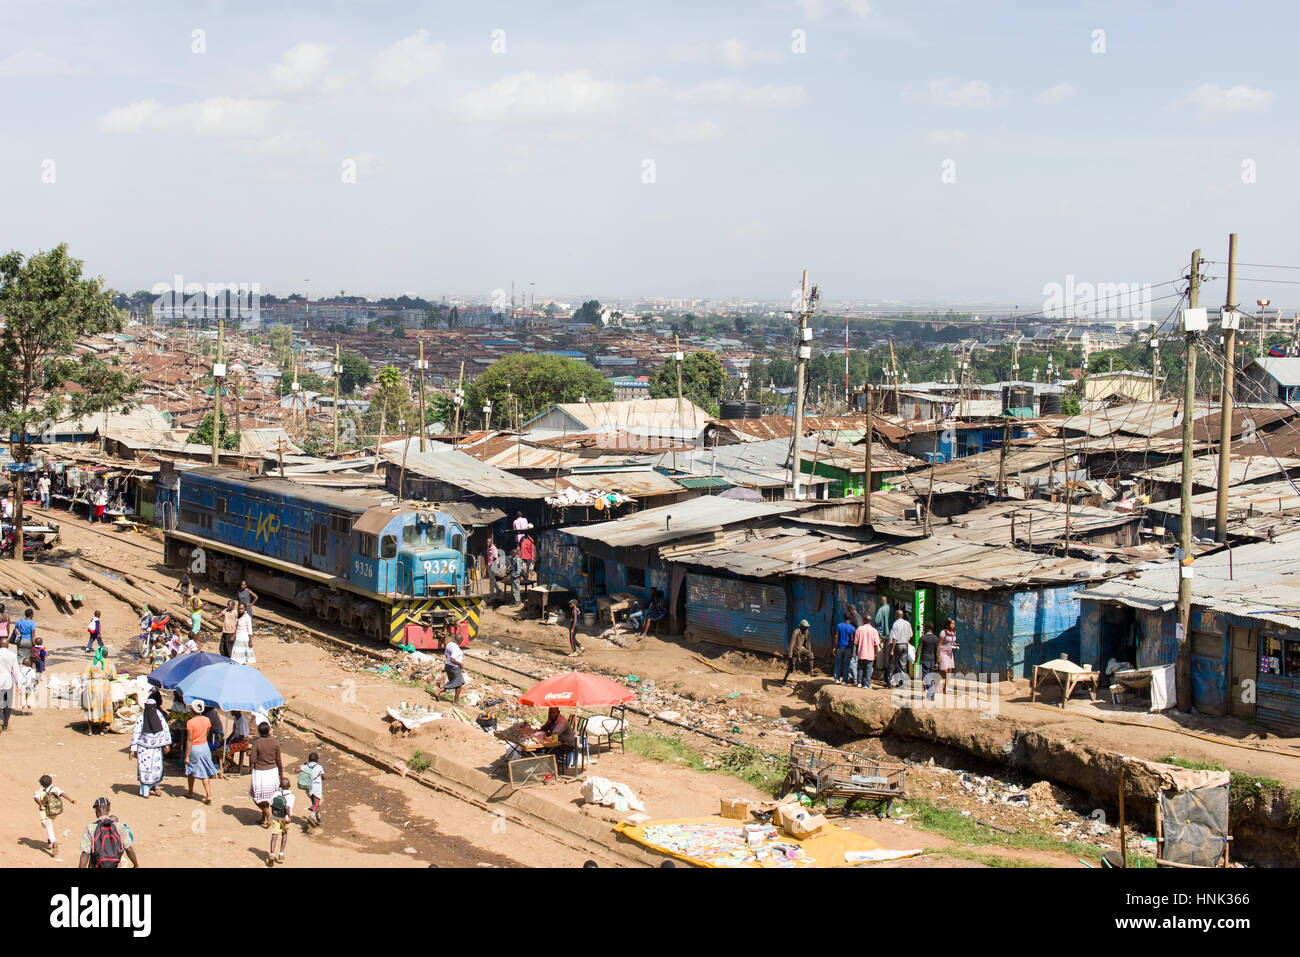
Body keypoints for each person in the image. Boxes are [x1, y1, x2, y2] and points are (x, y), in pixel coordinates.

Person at [129, 692, 171, 798]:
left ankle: (155, 787)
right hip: (144, 749)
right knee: (145, 769)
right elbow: (136, 733)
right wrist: (132, 749)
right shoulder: (142, 718)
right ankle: (145, 791)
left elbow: (165, 730)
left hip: (156, 749)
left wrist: (166, 744)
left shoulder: (159, 715)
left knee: (157, 769)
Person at [79, 797, 138, 868]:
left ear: (96, 811)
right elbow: (129, 849)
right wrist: (136, 865)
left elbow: (85, 853)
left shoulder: (91, 828)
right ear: (109, 809)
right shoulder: (119, 826)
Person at [249, 722, 283, 827]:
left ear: (259, 731)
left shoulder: (257, 743)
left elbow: (252, 760)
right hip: (272, 773)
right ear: (268, 731)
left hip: (260, 773)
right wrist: (281, 773)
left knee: (256, 797)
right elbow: (279, 760)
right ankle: (263, 818)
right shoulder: (275, 743)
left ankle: (268, 815)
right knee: (269, 798)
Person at [183, 700, 217, 804]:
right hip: (205, 747)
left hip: (195, 748)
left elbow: (190, 740)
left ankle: (191, 791)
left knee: (191, 770)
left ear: (193, 709)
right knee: (205, 771)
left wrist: (187, 755)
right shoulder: (207, 720)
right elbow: (206, 734)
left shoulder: (190, 722)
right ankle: (208, 794)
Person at [35, 774, 75, 858]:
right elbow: (63, 794)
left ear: (41, 784)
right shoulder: (55, 789)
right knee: (48, 824)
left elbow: (36, 798)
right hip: (56, 811)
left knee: (48, 826)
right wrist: (71, 800)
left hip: (46, 812)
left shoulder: (41, 792)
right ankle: (50, 839)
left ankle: (53, 842)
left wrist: (40, 805)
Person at [84, 646, 117, 734]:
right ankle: (102, 729)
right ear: (105, 654)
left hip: (92, 686)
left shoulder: (91, 663)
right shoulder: (110, 663)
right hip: (104, 686)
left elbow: (85, 676)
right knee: (104, 706)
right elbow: (113, 676)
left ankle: (90, 729)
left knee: (91, 706)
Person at [267, 775, 294, 866]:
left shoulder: (276, 794)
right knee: (284, 834)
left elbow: (271, 804)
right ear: (289, 786)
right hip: (285, 818)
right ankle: (281, 853)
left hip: (276, 817)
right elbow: (287, 807)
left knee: (274, 835)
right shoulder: (291, 796)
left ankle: (271, 854)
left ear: (280, 786)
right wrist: (289, 817)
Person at [854, 616, 881, 688]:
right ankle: (867, 684)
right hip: (870, 654)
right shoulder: (874, 631)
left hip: (861, 652)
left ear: (864, 620)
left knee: (860, 668)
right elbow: (876, 644)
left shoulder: (859, 629)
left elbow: (856, 643)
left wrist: (857, 651)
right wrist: (875, 654)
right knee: (869, 669)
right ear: (870, 621)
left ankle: (859, 683)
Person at [888, 609, 914, 688]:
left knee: (893, 664)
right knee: (903, 665)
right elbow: (911, 635)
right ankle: (903, 684)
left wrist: (892, 649)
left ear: (896, 615)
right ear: (902, 616)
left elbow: (894, 638)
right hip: (905, 645)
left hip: (897, 645)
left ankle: (889, 682)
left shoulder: (895, 624)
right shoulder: (907, 623)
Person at [436, 636, 466, 704]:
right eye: (461, 640)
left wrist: (448, 662)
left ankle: (441, 691)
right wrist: (460, 664)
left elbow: (447, 656)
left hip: (448, 666)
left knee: (453, 682)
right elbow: (452, 659)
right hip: (454, 667)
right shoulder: (456, 648)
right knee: (459, 684)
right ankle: (455, 701)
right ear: (460, 640)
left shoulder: (449, 644)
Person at [0, 635, 20, 732]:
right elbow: (16, 671)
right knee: (8, 703)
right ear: (7, 646)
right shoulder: (12, 655)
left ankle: (1, 720)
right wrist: (19, 684)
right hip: (8, 682)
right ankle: (5, 724)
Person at [299, 752, 324, 828]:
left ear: (309, 759)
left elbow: (297, 770)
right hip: (316, 788)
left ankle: (318, 817)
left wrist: (304, 768)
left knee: (315, 802)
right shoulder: (319, 767)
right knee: (316, 804)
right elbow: (323, 776)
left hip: (308, 788)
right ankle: (311, 817)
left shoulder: (306, 766)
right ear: (317, 760)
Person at [918, 626, 941, 701]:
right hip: (932, 661)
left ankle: (931, 692)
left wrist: (915, 660)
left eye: (924, 628)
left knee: (926, 677)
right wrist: (937, 662)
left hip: (924, 660)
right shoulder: (936, 639)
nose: (924, 629)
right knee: (930, 677)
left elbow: (918, 650)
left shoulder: (922, 638)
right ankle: (931, 694)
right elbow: (937, 652)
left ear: (927, 629)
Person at [832, 614, 856, 684]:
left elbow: (836, 636)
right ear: (850, 618)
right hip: (848, 648)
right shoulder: (852, 628)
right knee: (846, 664)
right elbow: (852, 640)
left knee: (838, 663)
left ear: (844, 618)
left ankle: (837, 679)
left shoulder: (839, 625)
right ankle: (845, 680)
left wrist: (834, 647)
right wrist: (851, 651)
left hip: (839, 647)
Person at [938, 619, 959, 696]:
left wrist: (955, 645)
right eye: (951, 624)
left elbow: (952, 642)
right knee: (944, 670)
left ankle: (945, 688)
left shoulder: (954, 633)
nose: (953, 626)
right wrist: (938, 656)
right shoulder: (943, 633)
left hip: (950, 653)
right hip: (943, 652)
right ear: (947, 625)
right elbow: (939, 645)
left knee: (950, 670)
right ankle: (935, 682)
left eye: (954, 624)